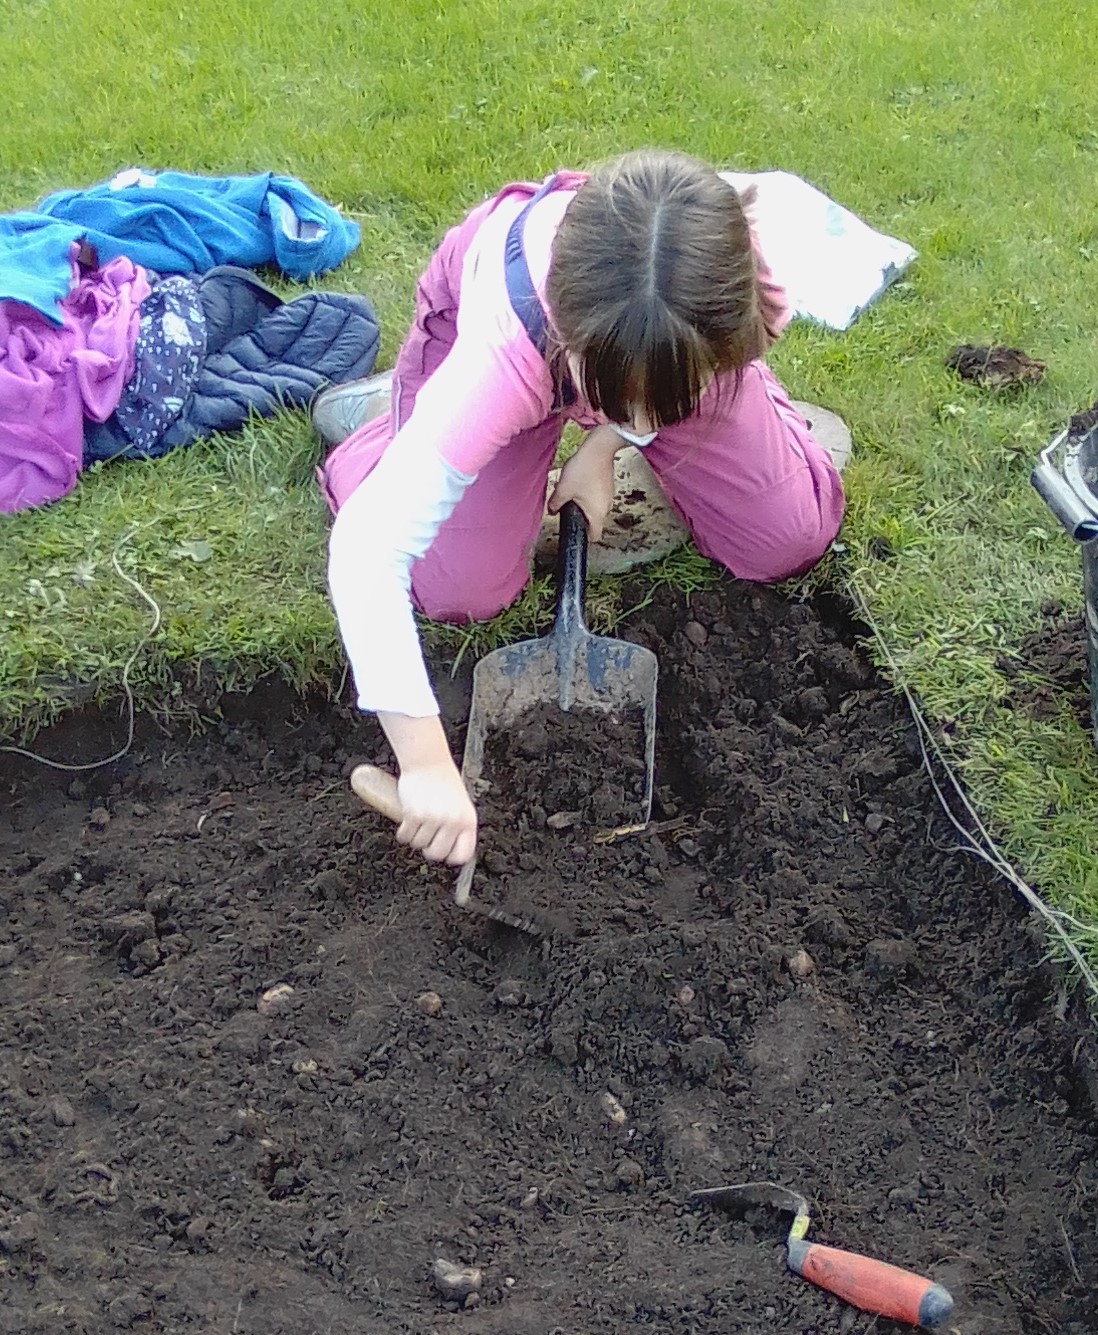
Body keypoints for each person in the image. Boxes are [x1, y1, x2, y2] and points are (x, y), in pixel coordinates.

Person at [317, 150, 846, 874]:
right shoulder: (505, 353)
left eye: (658, 405)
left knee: (789, 534)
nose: (640, 417)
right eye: (621, 400)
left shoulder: (728, 289)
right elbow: (366, 554)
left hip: (646, 354)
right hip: (519, 360)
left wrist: (606, 442)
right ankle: (391, 435)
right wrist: (428, 766)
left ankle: (689, 414)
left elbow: (657, 382)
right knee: (461, 590)